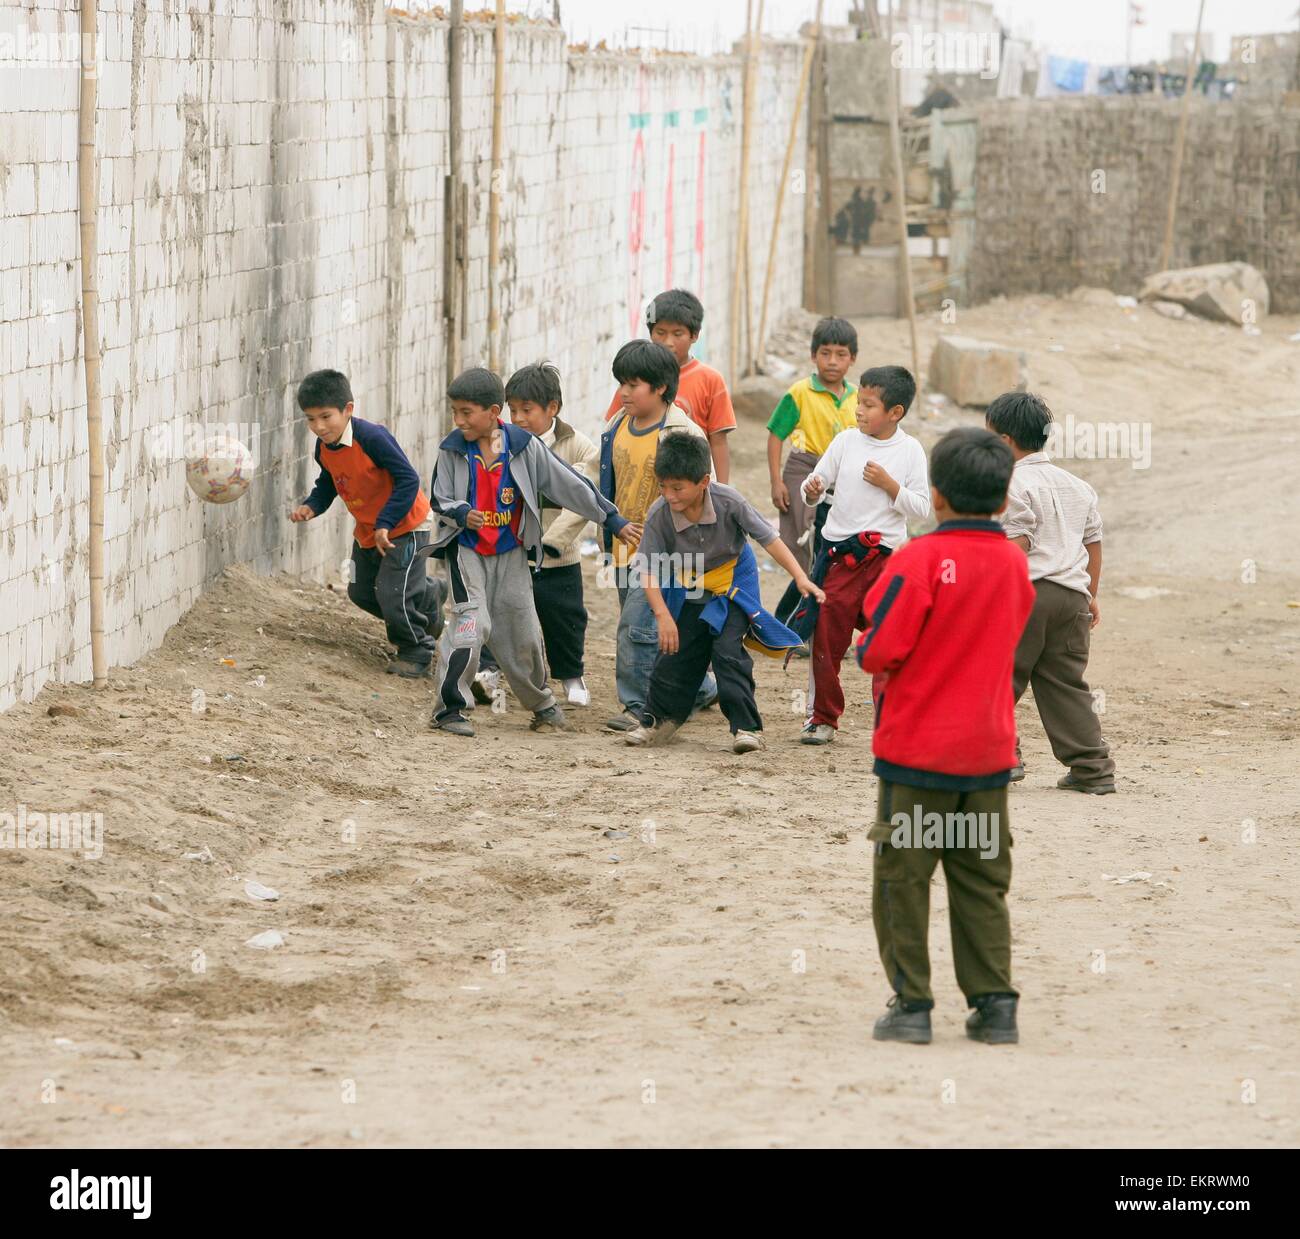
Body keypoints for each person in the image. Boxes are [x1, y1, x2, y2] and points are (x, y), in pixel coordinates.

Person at [855, 427, 1035, 1046]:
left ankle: (912, 1007)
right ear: (1005, 498)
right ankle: (995, 1007)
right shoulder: (1014, 562)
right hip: (986, 756)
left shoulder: (919, 560)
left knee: (903, 881)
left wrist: (863, 647)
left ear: (933, 495)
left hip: (915, 757)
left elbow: (880, 650)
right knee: (982, 882)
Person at [426, 366, 635, 737]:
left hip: (510, 554)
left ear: (493, 413)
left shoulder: (524, 447)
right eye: (454, 411)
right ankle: (449, 710)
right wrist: (460, 512)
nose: (458, 420)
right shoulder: (452, 450)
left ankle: (542, 705)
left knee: (522, 632)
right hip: (466, 553)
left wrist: (612, 519)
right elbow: (440, 497)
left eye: (466, 412)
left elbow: (570, 485)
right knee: (471, 626)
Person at [626, 434, 823, 753]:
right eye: (663, 486)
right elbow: (646, 567)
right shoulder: (660, 512)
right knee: (675, 652)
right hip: (690, 582)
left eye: (677, 488)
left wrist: (800, 576)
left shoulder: (729, 501)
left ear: (703, 481)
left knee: (727, 650)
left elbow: (769, 539)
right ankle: (657, 722)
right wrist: (662, 615)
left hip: (734, 582)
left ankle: (747, 728)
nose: (669, 495)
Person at [986, 392, 1116, 794]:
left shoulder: (1009, 483)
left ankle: (1001, 759)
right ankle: (1093, 769)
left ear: (1005, 441)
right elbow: (1093, 542)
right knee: (1066, 683)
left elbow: (1017, 542)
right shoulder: (1078, 486)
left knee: (995, 676)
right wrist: (1090, 592)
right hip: (1072, 598)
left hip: (1025, 595)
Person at [793, 365, 930, 745]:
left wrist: (890, 485)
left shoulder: (910, 451)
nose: (859, 411)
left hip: (887, 563)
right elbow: (813, 490)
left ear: (895, 412)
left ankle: (891, 724)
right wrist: (813, 487)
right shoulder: (845, 443)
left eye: (869, 405)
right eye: (859, 402)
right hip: (839, 559)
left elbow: (922, 508)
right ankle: (822, 718)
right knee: (826, 640)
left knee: (889, 643)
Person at [290, 368, 445, 678]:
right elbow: (329, 483)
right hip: (368, 532)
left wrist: (386, 522)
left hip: (407, 526)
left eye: (325, 416)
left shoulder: (373, 437)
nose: (318, 427)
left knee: (392, 594)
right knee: (360, 591)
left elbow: (408, 479)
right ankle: (427, 595)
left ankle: (417, 649)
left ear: (348, 410)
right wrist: (311, 506)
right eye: (310, 419)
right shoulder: (324, 448)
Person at [599, 340, 713, 733]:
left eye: (633, 385)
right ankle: (700, 687)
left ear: (661, 387)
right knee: (651, 627)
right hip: (621, 546)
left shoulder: (681, 432)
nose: (624, 393)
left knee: (637, 625)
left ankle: (638, 705)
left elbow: (702, 492)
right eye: (621, 385)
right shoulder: (617, 426)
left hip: (664, 553)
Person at [766, 316, 860, 623]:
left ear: (853, 359)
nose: (832, 361)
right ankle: (788, 622)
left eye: (841, 354)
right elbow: (776, 435)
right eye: (825, 353)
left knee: (830, 551)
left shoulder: (858, 397)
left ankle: (810, 622)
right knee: (802, 548)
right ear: (813, 355)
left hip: (842, 477)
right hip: (803, 469)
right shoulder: (800, 392)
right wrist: (776, 481)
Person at [602, 289, 737, 481]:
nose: (668, 342)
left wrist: (722, 492)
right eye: (660, 333)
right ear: (650, 333)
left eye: (677, 334)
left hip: (690, 480)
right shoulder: (634, 379)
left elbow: (718, 442)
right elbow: (613, 431)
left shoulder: (710, 380)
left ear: (694, 335)